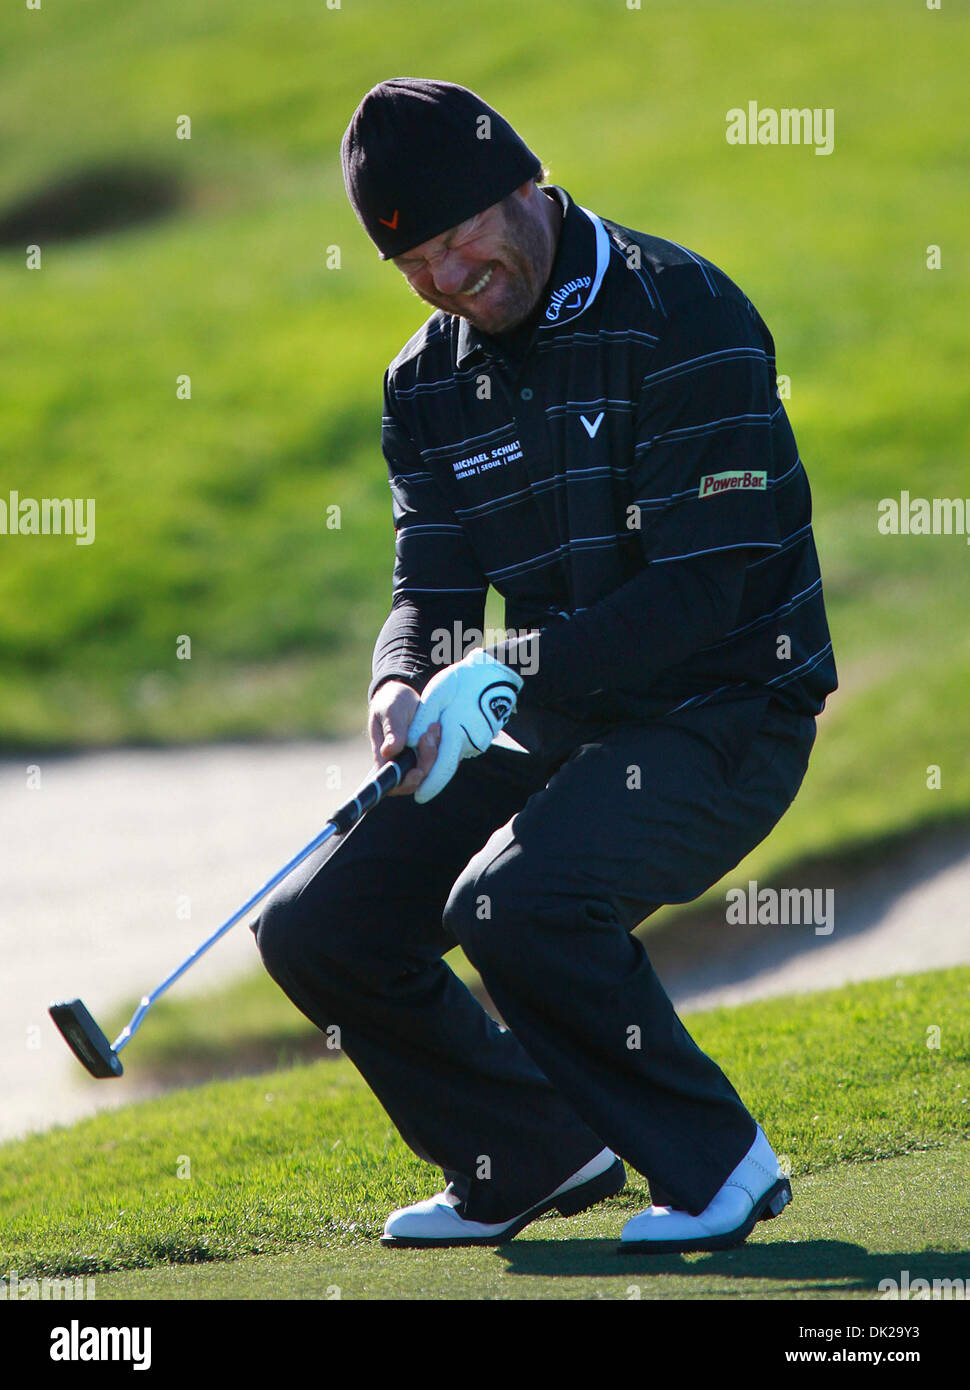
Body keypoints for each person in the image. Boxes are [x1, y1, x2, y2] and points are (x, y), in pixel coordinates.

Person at [254, 78, 838, 1253]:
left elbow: (699, 592)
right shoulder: (423, 380)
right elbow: (428, 587)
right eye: (410, 260)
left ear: (523, 186)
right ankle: (520, 1151)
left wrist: (512, 667)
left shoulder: (684, 313)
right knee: (318, 924)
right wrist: (401, 683)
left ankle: (720, 1164)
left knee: (515, 902)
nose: (440, 277)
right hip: (559, 711)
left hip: (726, 709)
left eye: (455, 237)